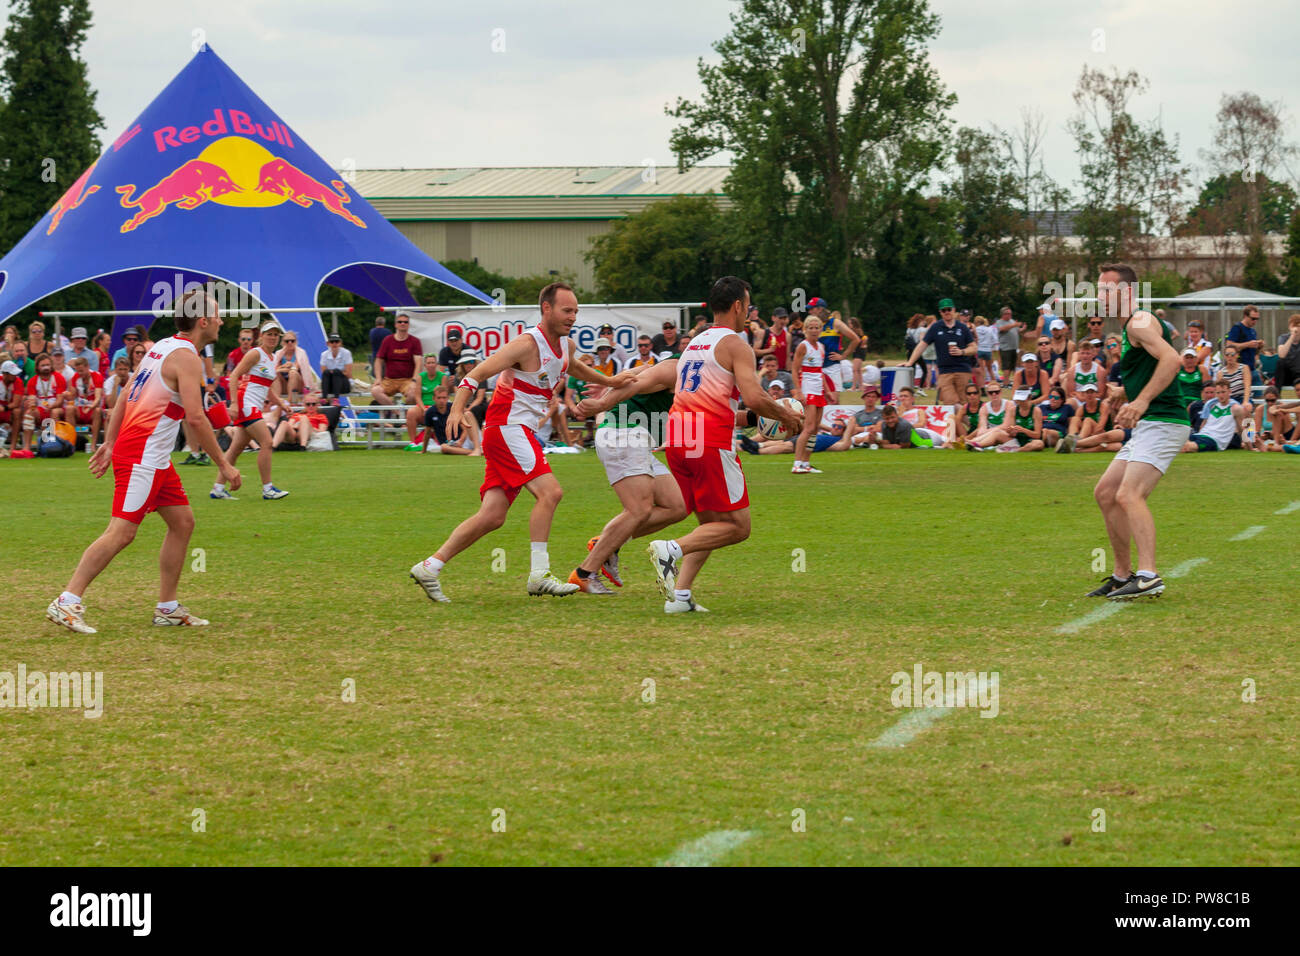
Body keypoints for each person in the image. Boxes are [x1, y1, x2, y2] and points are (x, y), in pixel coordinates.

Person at [409, 282, 634, 603]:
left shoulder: (566, 345)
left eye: (575, 311)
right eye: (566, 310)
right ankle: (539, 574)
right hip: (507, 428)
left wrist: (609, 380)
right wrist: (457, 408)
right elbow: (476, 375)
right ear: (546, 309)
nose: (573, 317)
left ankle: (429, 567)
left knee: (492, 516)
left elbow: (573, 365)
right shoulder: (526, 344)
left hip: (514, 431)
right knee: (551, 493)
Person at [45, 289, 241, 634]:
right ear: (203, 321)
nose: (221, 321)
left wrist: (109, 442)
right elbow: (195, 418)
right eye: (217, 315)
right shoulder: (187, 357)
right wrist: (224, 465)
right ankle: (67, 600)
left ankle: (167, 608)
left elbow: (126, 394)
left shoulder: (163, 346)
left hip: (151, 456)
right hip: (142, 456)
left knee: (183, 523)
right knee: (121, 532)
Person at [645, 276, 801, 613]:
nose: (749, 311)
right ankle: (670, 550)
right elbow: (755, 396)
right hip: (709, 441)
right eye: (748, 304)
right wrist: (785, 416)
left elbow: (717, 402)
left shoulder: (695, 343)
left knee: (712, 524)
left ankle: (681, 597)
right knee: (738, 527)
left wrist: (756, 418)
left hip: (679, 438)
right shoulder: (735, 344)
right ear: (738, 306)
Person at [1088, 263, 1190, 601]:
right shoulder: (1133, 324)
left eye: (1107, 290)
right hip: (1151, 423)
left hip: (1165, 421)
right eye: (1099, 290)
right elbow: (1155, 361)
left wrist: (1142, 400)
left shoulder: (1139, 321)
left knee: (1129, 494)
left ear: (1128, 292)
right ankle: (1122, 576)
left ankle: (1148, 576)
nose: (1101, 296)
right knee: (1106, 492)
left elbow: (1172, 359)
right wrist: (1125, 392)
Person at [563, 357, 689, 594]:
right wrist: (603, 401)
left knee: (677, 506)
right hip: (624, 435)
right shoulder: (676, 368)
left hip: (635, 439)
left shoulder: (688, 371)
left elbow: (635, 372)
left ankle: (606, 542)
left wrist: (608, 386)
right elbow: (636, 382)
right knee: (638, 509)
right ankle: (584, 574)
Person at [212, 321, 292, 501]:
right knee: (267, 442)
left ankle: (218, 488)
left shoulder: (272, 358)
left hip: (251, 404)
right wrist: (234, 404)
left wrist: (281, 403)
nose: (272, 337)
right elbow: (234, 376)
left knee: (236, 448)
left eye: (275, 334)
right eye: (269, 334)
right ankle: (268, 489)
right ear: (261, 336)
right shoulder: (256, 353)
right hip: (246, 403)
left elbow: (266, 388)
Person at [903, 299, 976, 404]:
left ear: (954, 310)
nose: (947, 312)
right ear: (940, 312)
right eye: (943, 310)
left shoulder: (962, 327)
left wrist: (962, 352)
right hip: (944, 372)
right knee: (950, 402)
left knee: (965, 403)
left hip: (963, 370)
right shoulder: (936, 327)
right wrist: (910, 362)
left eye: (949, 309)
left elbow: (973, 347)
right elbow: (922, 345)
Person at [790, 315, 828, 474]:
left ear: (820, 329)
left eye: (816, 327)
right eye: (810, 328)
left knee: (815, 429)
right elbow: (794, 370)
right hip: (808, 390)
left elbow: (820, 371)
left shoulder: (821, 347)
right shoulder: (803, 346)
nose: (814, 330)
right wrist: (799, 391)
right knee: (809, 427)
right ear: (805, 329)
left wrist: (827, 390)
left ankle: (806, 463)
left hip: (819, 390)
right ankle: (797, 463)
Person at [1181, 381, 1248, 453]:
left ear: (1229, 392)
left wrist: (1250, 446)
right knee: (1177, 441)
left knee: (1187, 447)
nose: (1220, 395)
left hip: (1214, 440)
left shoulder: (1236, 408)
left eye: (1223, 392)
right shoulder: (1211, 405)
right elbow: (1203, 424)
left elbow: (1242, 429)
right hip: (1200, 435)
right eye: (1218, 393)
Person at [371, 313, 421, 406]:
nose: (403, 323)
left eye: (405, 322)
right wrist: (378, 378)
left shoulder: (415, 341)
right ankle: (395, 412)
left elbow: (418, 363)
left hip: (408, 380)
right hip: (389, 380)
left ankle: (406, 413)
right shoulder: (387, 340)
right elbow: (378, 360)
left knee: (414, 393)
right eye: (400, 322)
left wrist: (414, 381)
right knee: (375, 391)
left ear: (409, 325)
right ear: (395, 324)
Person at [20, 352, 67, 449]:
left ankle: (52, 445)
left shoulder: (58, 377)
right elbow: (32, 398)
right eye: (43, 365)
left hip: (56, 407)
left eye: (48, 365)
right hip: (40, 409)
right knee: (29, 413)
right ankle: (27, 447)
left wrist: (51, 406)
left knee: (54, 412)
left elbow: (60, 400)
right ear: (37, 367)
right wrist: (31, 403)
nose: (46, 367)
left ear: (51, 365)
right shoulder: (33, 381)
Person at [419, 383, 482, 455]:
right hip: (450, 445)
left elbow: (465, 429)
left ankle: (477, 448)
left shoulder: (453, 408)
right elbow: (427, 433)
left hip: (465, 440)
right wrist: (423, 450)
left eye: (444, 398)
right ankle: (475, 452)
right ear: (434, 398)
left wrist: (460, 441)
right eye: (439, 398)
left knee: (468, 414)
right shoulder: (430, 412)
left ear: (447, 398)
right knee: (443, 447)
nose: (441, 400)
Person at [64, 355, 104, 451]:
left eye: (82, 371)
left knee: (98, 411)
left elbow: (98, 398)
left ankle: (93, 445)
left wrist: (91, 407)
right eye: (78, 371)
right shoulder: (75, 377)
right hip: (81, 408)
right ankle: (72, 443)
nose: (80, 373)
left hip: (92, 409)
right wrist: (66, 395)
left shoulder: (96, 376)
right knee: (69, 409)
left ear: (87, 367)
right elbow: (73, 396)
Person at [274, 330, 316, 401]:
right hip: (283, 385)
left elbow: (295, 368)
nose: (290, 343)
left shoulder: (301, 353)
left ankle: (291, 401)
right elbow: (274, 369)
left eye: (292, 341)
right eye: (287, 341)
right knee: (275, 374)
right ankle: (276, 400)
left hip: (298, 385)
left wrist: (284, 367)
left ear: (296, 342)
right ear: (283, 342)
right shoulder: (278, 353)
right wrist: (284, 367)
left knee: (293, 373)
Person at [1215, 344, 1252, 409]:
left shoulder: (1244, 368)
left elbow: (1247, 387)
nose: (1230, 357)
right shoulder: (1221, 373)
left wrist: (1245, 401)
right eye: (1227, 354)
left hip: (1242, 398)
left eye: (1232, 354)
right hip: (1228, 400)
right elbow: (1219, 390)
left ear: (1237, 355)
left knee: (1246, 408)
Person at [319, 333, 353, 401]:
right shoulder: (324, 354)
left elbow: (348, 373)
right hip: (329, 385)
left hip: (343, 385)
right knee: (327, 372)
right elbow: (323, 372)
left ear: (340, 343)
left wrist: (334, 372)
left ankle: (336, 399)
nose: (334, 344)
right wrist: (339, 372)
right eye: (332, 342)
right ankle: (324, 398)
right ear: (328, 344)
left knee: (336, 372)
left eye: (336, 341)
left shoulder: (346, 353)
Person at [1174, 347, 1209, 414]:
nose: (1189, 360)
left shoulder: (1201, 369)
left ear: (1196, 359)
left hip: (1197, 402)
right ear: (1182, 359)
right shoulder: (1177, 369)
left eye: (1191, 357)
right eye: (1187, 358)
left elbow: (1207, 388)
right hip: (1181, 401)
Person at [1227, 304, 1260, 371]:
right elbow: (1229, 345)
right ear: (1245, 316)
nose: (1255, 321)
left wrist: (1259, 346)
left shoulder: (1253, 331)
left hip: (1252, 368)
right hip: (1240, 369)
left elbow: (1254, 352)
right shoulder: (1237, 328)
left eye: (1257, 319)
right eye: (1253, 318)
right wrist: (1248, 344)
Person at [0, 360, 23, 454]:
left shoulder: (18, 381)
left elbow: (16, 403)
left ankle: (12, 447)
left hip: (8, 410)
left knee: (17, 412)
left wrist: (4, 408)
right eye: (12, 373)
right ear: (5, 374)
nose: (15, 375)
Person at [995, 307, 1022, 383]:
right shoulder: (999, 322)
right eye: (1008, 313)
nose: (1010, 315)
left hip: (1014, 347)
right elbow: (1002, 329)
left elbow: (1017, 330)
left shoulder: (1012, 321)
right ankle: (1005, 383)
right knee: (1006, 366)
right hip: (1005, 348)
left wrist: (1022, 329)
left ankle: (1008, 381)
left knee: (1012, 366)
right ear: (1003, 314)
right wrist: (1014, 325)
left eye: (1010, 313)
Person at [1275, 313, 1300, 394]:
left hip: (1298, 373)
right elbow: (1281, 355)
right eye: (1294, 326)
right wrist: (1292, 336)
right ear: (1290, 327)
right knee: (1280, 362)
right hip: (1287, 374)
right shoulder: (1283, 337)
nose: (1297, 329)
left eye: (1298, 326)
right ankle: (1277, 394)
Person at [974, 315, 998, 386]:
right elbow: (995, 340)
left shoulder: (976, 329)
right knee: (990, 369)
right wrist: (991, 347)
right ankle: (995, 384)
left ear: (977, 322)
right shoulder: (989, 329)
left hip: (979, 350)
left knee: (981, 369)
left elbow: (973, 339)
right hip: (988, 350)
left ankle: (982, 385)